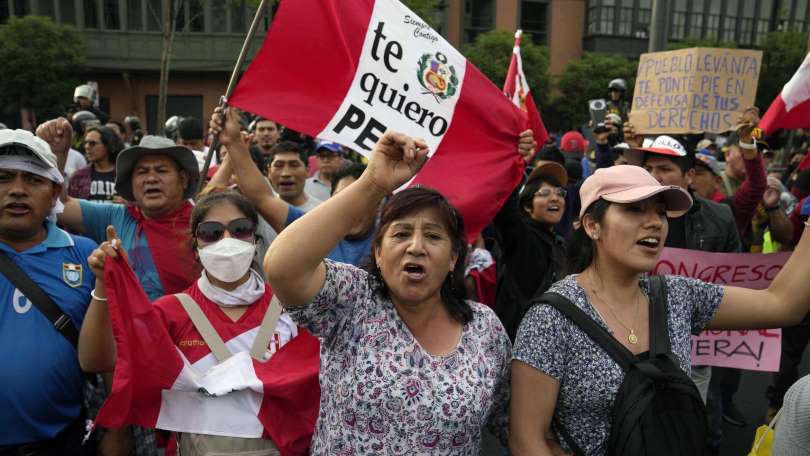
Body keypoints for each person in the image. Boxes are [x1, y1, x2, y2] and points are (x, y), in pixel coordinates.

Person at [509, 164, 810, 455]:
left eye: (661, 212)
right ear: (592, 225)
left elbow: (783, 304)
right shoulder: (550, 319)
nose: (655, 222)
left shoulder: (679, 295)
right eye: (635, 209)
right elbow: (527, 441)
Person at [264, 129, 512, 454]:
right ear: (378, 254)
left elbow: (512, 424)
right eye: (401, 234)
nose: (416, 247)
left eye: (434, 237)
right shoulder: (353, 299)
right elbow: (283, 267)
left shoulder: (485, 328)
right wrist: (373, 184)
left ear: (453, 258)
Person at [79, 191, 320, 455]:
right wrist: (102, 283)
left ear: (255, 241)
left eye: (240, 229)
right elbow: (95, 361)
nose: (227, 240)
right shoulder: (169, 312)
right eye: (211, 232)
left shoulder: (293, 308)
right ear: (195, 247)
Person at [0, 129, 97, 453]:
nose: (17, 190)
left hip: (63, 442)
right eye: (3, 177)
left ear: (55, 192)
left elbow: (112, 355)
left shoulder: (85, 255)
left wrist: (116, 430)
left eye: (33, 180)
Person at [37, 118, 200, 301]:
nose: (151, 179)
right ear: (131, 183)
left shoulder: (204, 224)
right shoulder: (116, 217)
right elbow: (60, 206)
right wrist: (56, 155)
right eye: (142, 172)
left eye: (161, 170)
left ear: (183, 179)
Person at [493, 160, 568, 341]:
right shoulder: (522, 238)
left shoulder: (560, 244)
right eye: (544, 193)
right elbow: (505, 209)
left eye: (560, 193)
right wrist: (516, 162)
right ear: (527, 206)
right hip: (522, 343)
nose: (555, 198)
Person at [68, 125, 124, 202]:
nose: (87, 147)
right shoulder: (78, 177)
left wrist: (129, 204)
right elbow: (69, 206)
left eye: (92, 143)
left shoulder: (125, 174)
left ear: (108, 145)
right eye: (86, 143)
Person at [267, 141, 321, 211]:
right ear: (269, 172)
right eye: (279, 166)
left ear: (307, 171)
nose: (285, 173)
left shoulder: (322, 212)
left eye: (294, 165)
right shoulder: (260, 212)